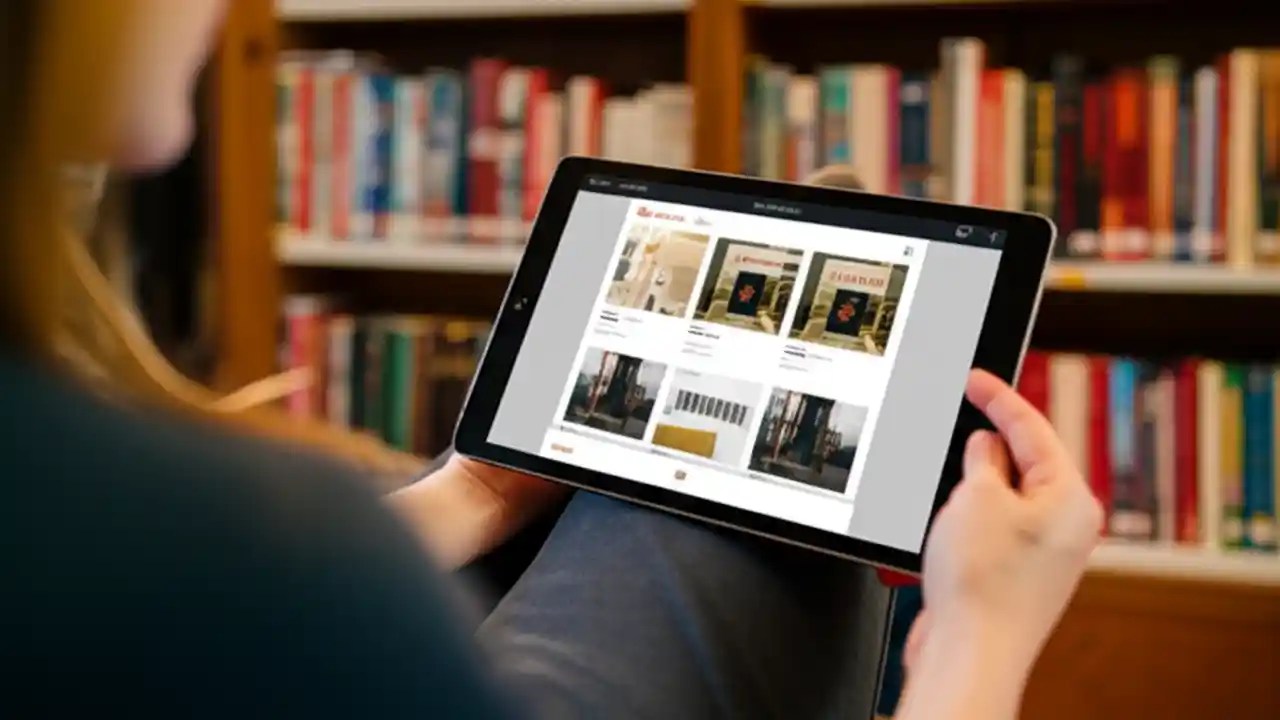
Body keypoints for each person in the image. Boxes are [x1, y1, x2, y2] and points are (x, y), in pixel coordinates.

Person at [2, 2, 1103, 718]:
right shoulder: (284, 551)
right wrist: (975, 644)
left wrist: (467, 497)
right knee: (719, 510)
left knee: (590, 490)